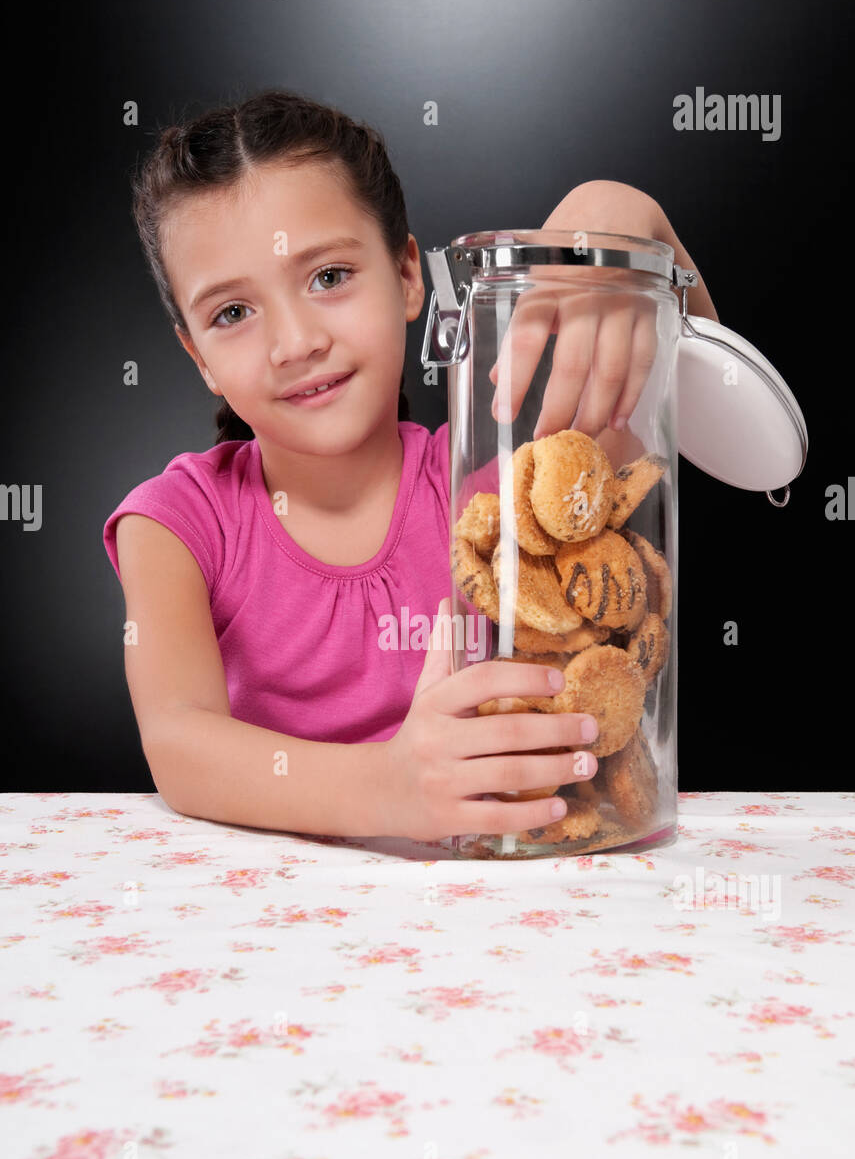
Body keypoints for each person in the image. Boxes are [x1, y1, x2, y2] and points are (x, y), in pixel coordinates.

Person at [102, 87, 718, 842]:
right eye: (233, 313)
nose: (294, 343)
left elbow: (704, 413)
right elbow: (177, 744)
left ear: (407, 276)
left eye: (328, 277)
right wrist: (391, 790)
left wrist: (624, 216)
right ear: (197, 356)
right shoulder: (177, 522)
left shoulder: (503, 499)